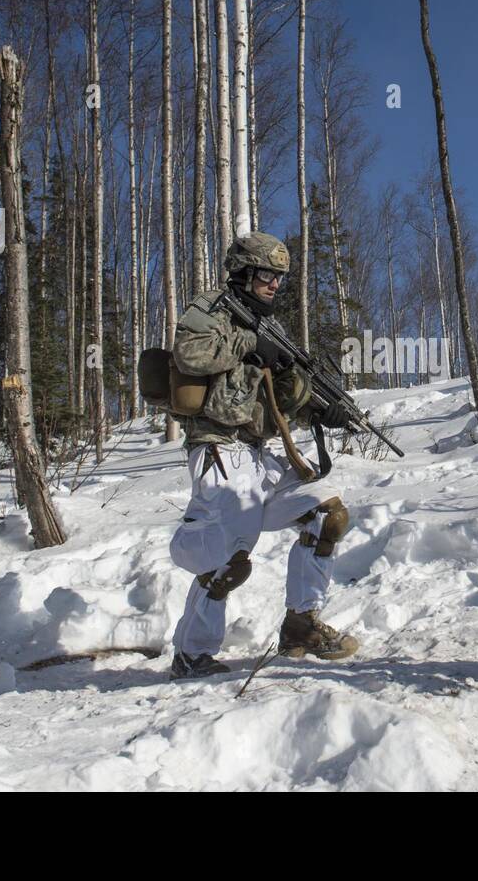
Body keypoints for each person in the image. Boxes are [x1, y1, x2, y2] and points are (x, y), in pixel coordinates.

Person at [166, 231, 356, 679]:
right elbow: (190, 356)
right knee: (228, 557)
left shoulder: (271, 326)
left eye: (280, 278)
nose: (274, 284)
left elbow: (273, 399)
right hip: (216, 447)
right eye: (267, 275)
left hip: (256, 452)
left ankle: (300, 625)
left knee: (326, 513)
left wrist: (320, 409)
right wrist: (248, 344)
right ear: (244, 272)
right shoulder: (210, 310)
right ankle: (191, 654)